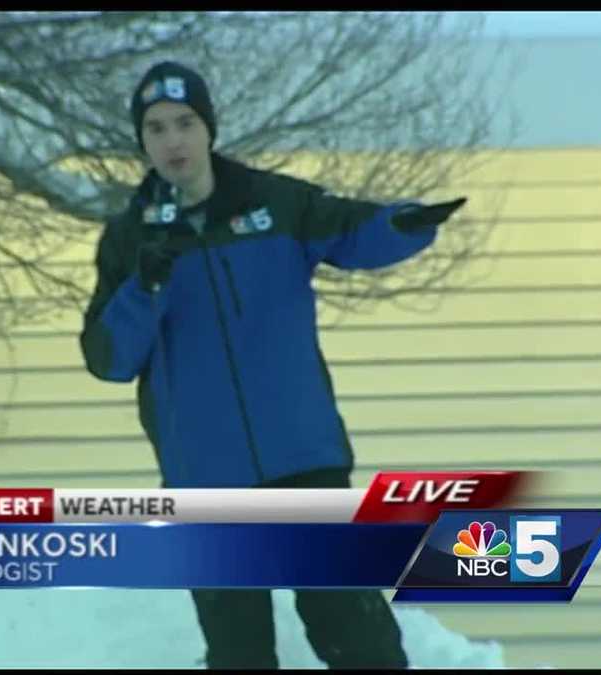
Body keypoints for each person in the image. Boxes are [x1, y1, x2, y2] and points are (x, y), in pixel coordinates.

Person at [79, 61, 466, 670]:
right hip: (204, 478)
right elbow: (108, 359)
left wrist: (403, 224)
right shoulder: (129, 240)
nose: (173, 140)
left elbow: (350, 227)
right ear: (142, 141)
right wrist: (144, 287)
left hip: (302, 458)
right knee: (240, 653)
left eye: (185, 122)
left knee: (355, 633)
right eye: (156, 128)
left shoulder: (274, 204)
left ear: (208, 128)